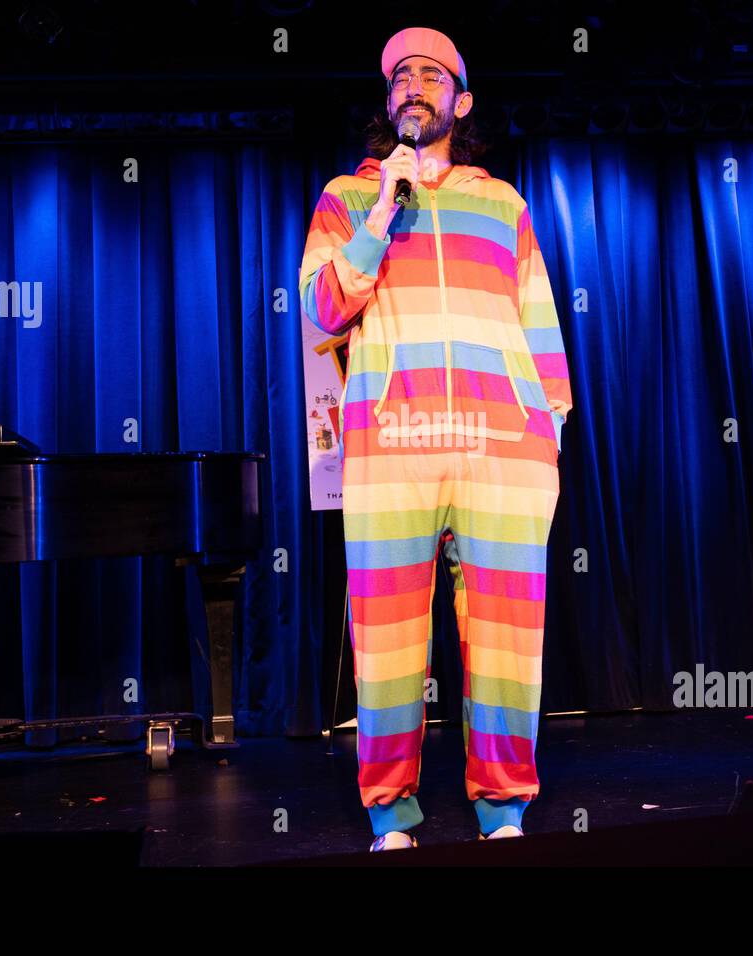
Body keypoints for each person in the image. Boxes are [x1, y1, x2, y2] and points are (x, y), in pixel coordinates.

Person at [298, 27, 573, 850]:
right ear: (388, 102)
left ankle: (504, 810)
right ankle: (391, 814)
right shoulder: (348, 196)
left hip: (503, 450)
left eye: (432, 73)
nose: (414, 85)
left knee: (506, 641)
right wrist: (383, 211)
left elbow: (541, 322)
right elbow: (321, 307)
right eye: (400, 77)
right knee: (386, 644)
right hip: (393, 447)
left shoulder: (503, 202)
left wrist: (547, 421)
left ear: (462, 99)